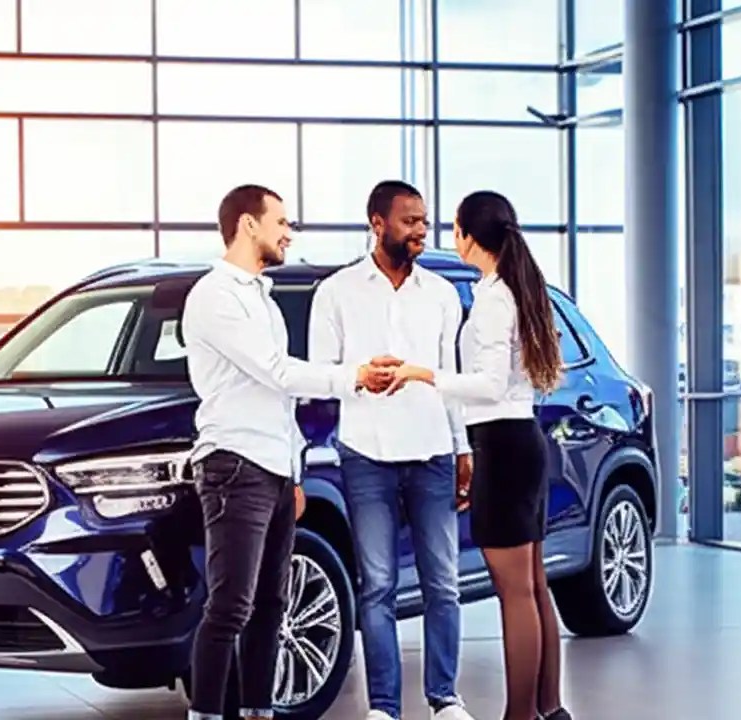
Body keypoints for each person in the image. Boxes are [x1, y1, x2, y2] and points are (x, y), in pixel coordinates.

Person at [181, 184, 394, 720]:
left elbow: (280, 398)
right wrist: (355, 377)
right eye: (280, 221)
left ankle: (259, 712)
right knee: (230, 607)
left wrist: (294, 471)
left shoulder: (261, 297)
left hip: (274, 469)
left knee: (271, 607)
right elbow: (275, 371)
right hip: (234, 465)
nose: (288, 232)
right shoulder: (215, 296)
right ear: (248, 224)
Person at [383, 190, 572, 720]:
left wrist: (423, 374)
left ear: (468, 235)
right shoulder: (518, 288)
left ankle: (520, 715)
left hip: (503, 445)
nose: (450, 236)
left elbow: (488, 384)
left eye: (454, 228)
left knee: (514, 591)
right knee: (533, 586)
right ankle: (549, 709)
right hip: (523, 442)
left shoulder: (492, 299)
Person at [308, 180, 475, 720]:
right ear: (377, 223)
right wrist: (359, 378)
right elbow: (319, 375)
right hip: (366, 455)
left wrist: (462, 447)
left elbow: (449, 379)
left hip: (432, 452)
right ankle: (383, 708)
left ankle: (444, 698)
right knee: (377, 585)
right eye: (410, 221)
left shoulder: (443, 295)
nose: (421, 231)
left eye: (425, 221)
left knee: (443, 582)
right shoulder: (336, 292)